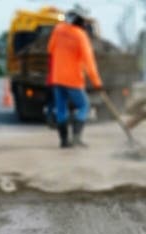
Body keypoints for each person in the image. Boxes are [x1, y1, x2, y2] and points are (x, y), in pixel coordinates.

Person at [47, 7, 103, 148]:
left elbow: (50, 49)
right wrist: (96, 82)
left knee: (61, 109)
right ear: (79, 21)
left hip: (57, 77)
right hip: (73, 79)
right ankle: (76, 137)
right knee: (84, 105)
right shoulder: (80, 35)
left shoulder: (58, 29)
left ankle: (64, 141)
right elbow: (89, 61)